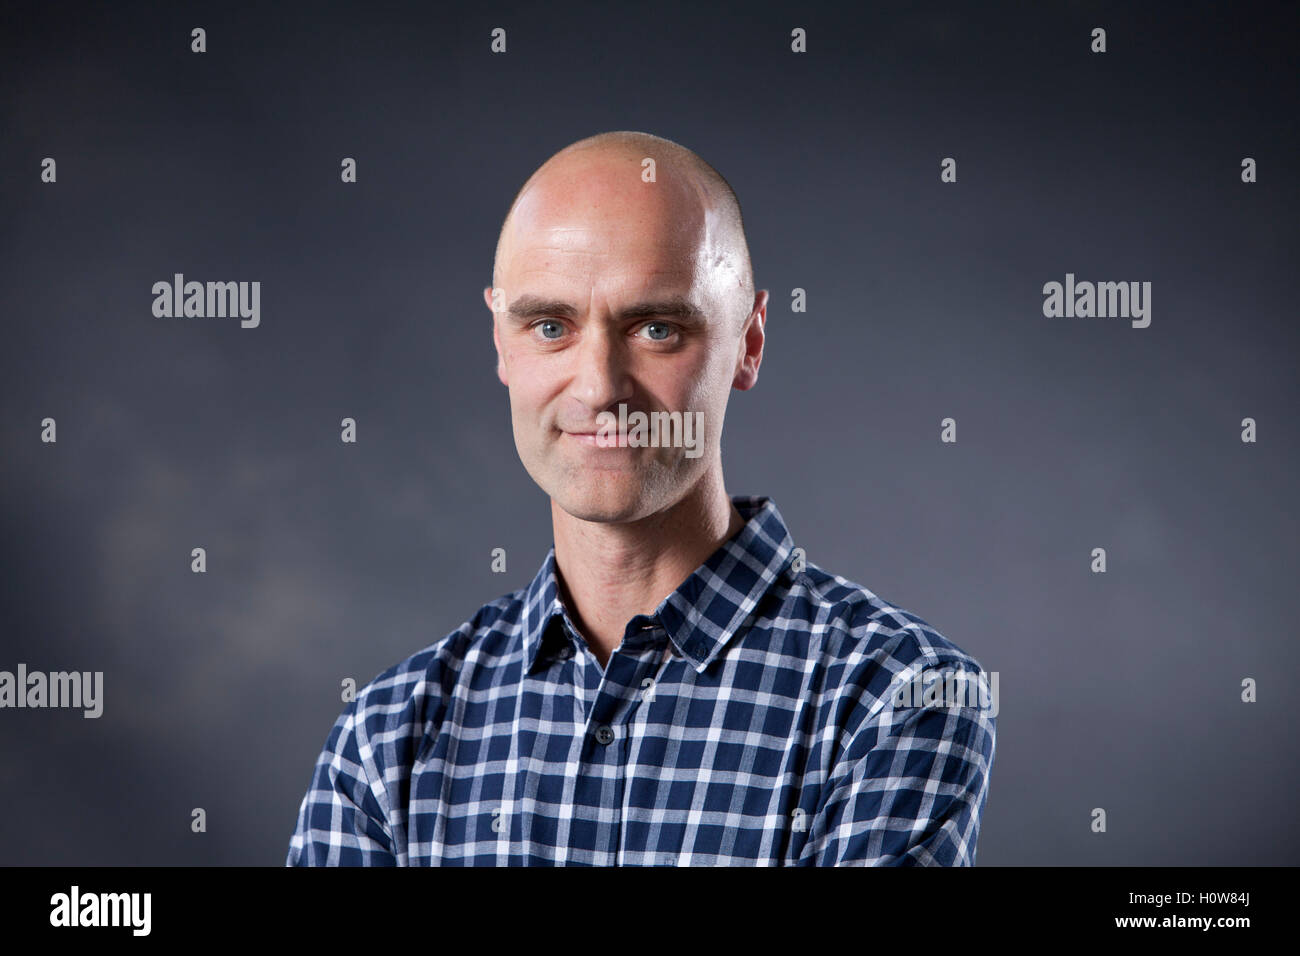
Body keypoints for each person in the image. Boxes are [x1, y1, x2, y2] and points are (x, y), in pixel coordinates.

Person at [286, 130, 996, 866]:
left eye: (657, 328)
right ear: (501, 342)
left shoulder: (900, 699)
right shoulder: (385, 739)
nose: (598, 387)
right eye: (550, 327)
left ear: (749, 342)